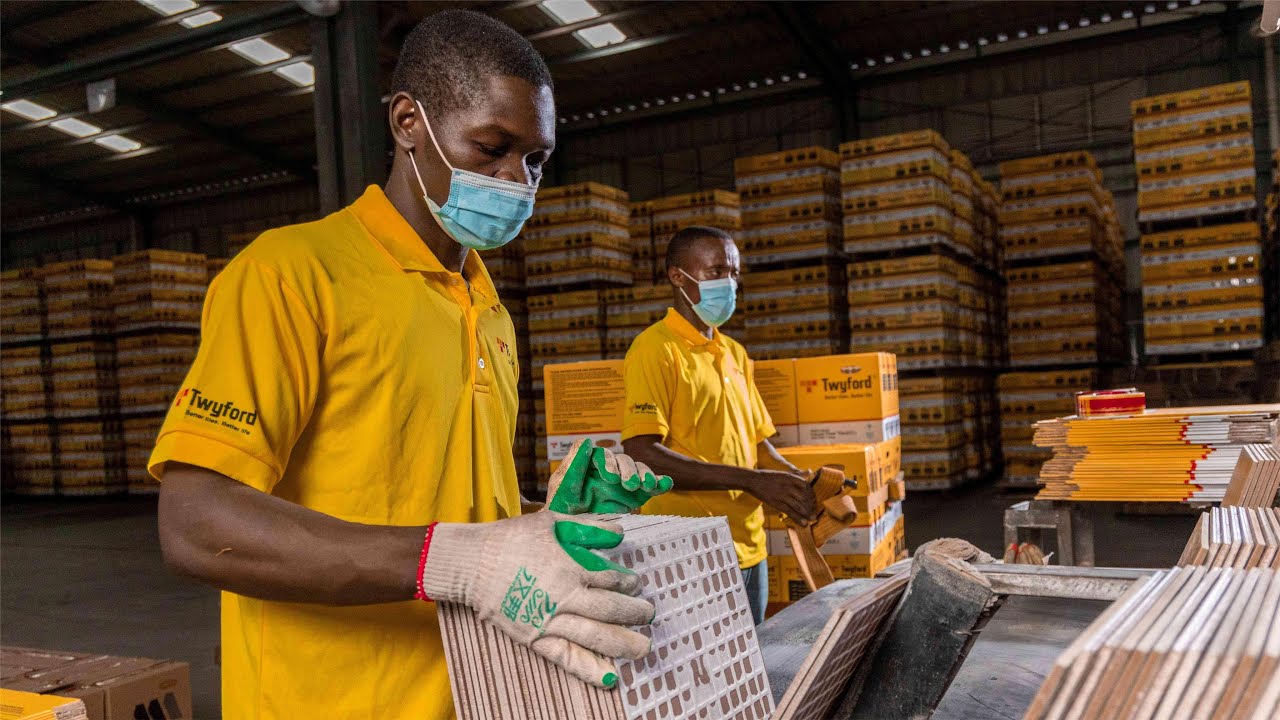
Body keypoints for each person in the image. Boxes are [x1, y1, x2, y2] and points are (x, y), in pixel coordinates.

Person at [150, 11, 666, 719]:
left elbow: (446, 513)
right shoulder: (293, 276)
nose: (517, 179)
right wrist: (453, 562)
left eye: (536, 160)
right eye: (491, 147)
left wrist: (543, 522)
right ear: (407, 123)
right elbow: (196, 522)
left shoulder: (488, 308)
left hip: (476, 691)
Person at [620, 226, 818, 624]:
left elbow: (759, 446)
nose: (728, 283)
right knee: (703, 674)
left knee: (750, 666)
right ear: (678, 276)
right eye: (715, 272)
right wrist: (752, 481)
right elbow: (643, 454)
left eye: (733, 272)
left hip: (749, 547)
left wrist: (798, 480)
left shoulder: (734, 353)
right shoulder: (655, 349)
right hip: (689, 551)